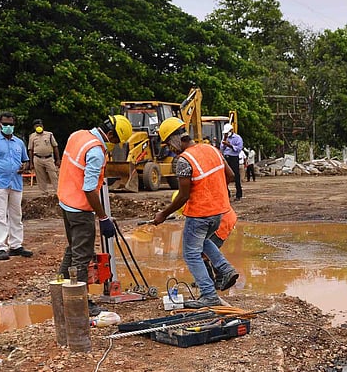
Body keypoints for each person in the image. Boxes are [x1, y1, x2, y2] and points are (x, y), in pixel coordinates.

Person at [150, 117, 239, 306]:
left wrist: (163, 215)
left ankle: (209, 294)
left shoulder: (184, 160)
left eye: (168, 144)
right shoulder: (212, 149)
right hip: (219, 212)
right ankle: (225, 269)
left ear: (175, 139)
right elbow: (230, 175)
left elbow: (183, 196)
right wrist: (215, 192)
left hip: (199, 214)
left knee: (191, 253)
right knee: (203, 241)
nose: (170, 149)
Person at [57, 113, 133, 299]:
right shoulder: (95, 152)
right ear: (111, 134)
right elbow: (90, 189)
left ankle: (61, 290)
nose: (114, 144)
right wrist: (103, 217)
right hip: (80, 209)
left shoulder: (78, 135)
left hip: (66, 202)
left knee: (74, 248)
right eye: (115, 140)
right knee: (82, 256)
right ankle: (80, 301)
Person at [0, 112, 33, 260]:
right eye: (5, 124)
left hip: (16, 183)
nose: (8, 127)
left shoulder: (19, 142)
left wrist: (25, 167)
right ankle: (1, 247)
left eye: (11, 124)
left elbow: (26, 160)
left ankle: (16, 245)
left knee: (16, 215)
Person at [28, 118, 59, 195]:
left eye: (40, 125)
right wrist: (31, 163)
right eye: (37, 126)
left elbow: (55, 146)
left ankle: (58, 192)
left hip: (49, 158)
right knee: (40, 176)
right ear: (34, 127)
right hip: (37, 158)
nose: (39, 127)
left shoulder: (49, 135)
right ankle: (44, 192)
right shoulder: (32, 136)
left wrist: (58, 159)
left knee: (53, 175)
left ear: (43, 126)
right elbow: (30, 150)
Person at [220, 124, 244, 201]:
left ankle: (239, 194)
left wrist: (229, 145)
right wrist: (224, 143)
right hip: (226, 158)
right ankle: (227, 193)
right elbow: (222, 149)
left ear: (231, 131)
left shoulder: (237, 138)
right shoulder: (224, 138)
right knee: (224, 176)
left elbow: (238, 149)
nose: (226, 134)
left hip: (234, 158)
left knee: (236, 176)